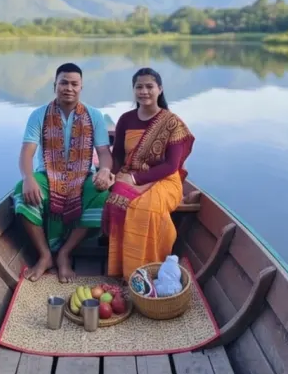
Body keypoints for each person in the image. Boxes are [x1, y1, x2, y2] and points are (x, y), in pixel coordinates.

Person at [13, 63, 113, 282]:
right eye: (64, 83)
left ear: (81, 87)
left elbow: (104, 152)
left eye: (74, 84)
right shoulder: (39, 115)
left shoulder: (94, 115)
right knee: (21, 191)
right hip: (48, 176)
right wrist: (28, 178)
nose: (69, 88)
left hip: (83, 177)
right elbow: (26, 154)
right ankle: (45, 255)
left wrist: (104, 170)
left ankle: (65, 253)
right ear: (54, 86)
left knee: (103, 194)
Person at [101, 67, 195, 281]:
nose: (144, 91)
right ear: (134, 90)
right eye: (139, 87)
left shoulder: (172, 123)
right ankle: (123, 268)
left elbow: (171, 166)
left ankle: (150, 268)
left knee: (146, 209)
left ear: (159, 89)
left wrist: (136, 180)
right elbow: (117, 156)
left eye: (149, 86)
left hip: (165, 180)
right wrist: (111, 175)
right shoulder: (126, 119)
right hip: (128, 173)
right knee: (117, 200)